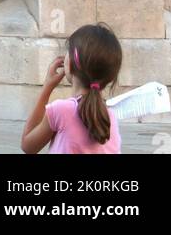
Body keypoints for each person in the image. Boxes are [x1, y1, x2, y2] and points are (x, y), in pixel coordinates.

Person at [21, 24, 123, 154]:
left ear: (70, 64)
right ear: (110, 77)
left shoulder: (61, 110)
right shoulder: (109, 116)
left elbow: (28, 146)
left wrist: (47, 88)